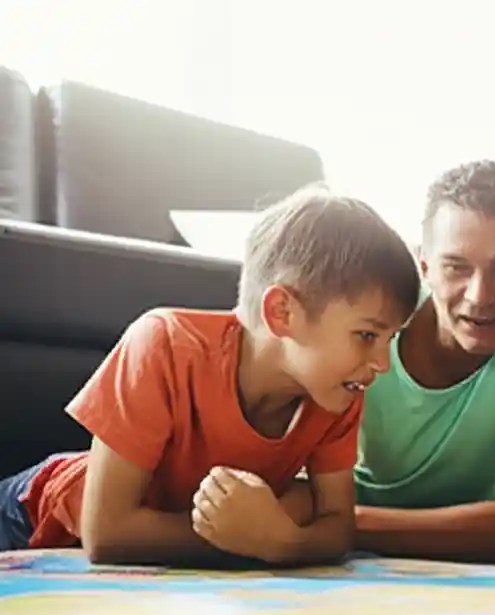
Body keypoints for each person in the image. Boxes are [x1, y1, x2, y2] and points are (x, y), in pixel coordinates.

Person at [0, 186, 420, 565]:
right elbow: (106, 535)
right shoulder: (164, 344)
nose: (382, 363)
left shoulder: (338, 390)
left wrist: (280, 541)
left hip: (167, 529)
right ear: (282, 313)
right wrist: (252, 535)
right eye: (367, 335)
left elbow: (338, 527)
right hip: (34, 514)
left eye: (390, 339)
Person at [353, 161, 495, 562]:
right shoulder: (366, 317)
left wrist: (340, 525)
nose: (480, 295)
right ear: (424, 266)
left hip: (352, 533)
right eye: (457, 267)